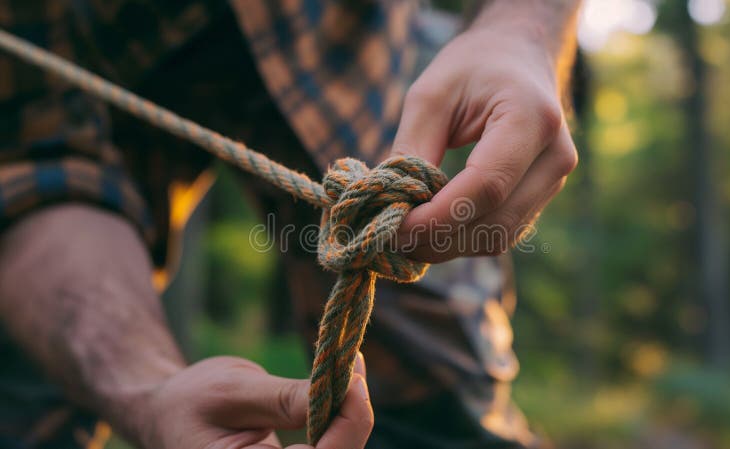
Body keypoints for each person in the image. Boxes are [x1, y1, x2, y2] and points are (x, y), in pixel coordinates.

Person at [0, 0, 580, 448]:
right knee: (33, 380)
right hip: (76, 73)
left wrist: (520, 31)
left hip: (347, 50)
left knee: (439, 391)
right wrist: (149, 392)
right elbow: (33, 163)